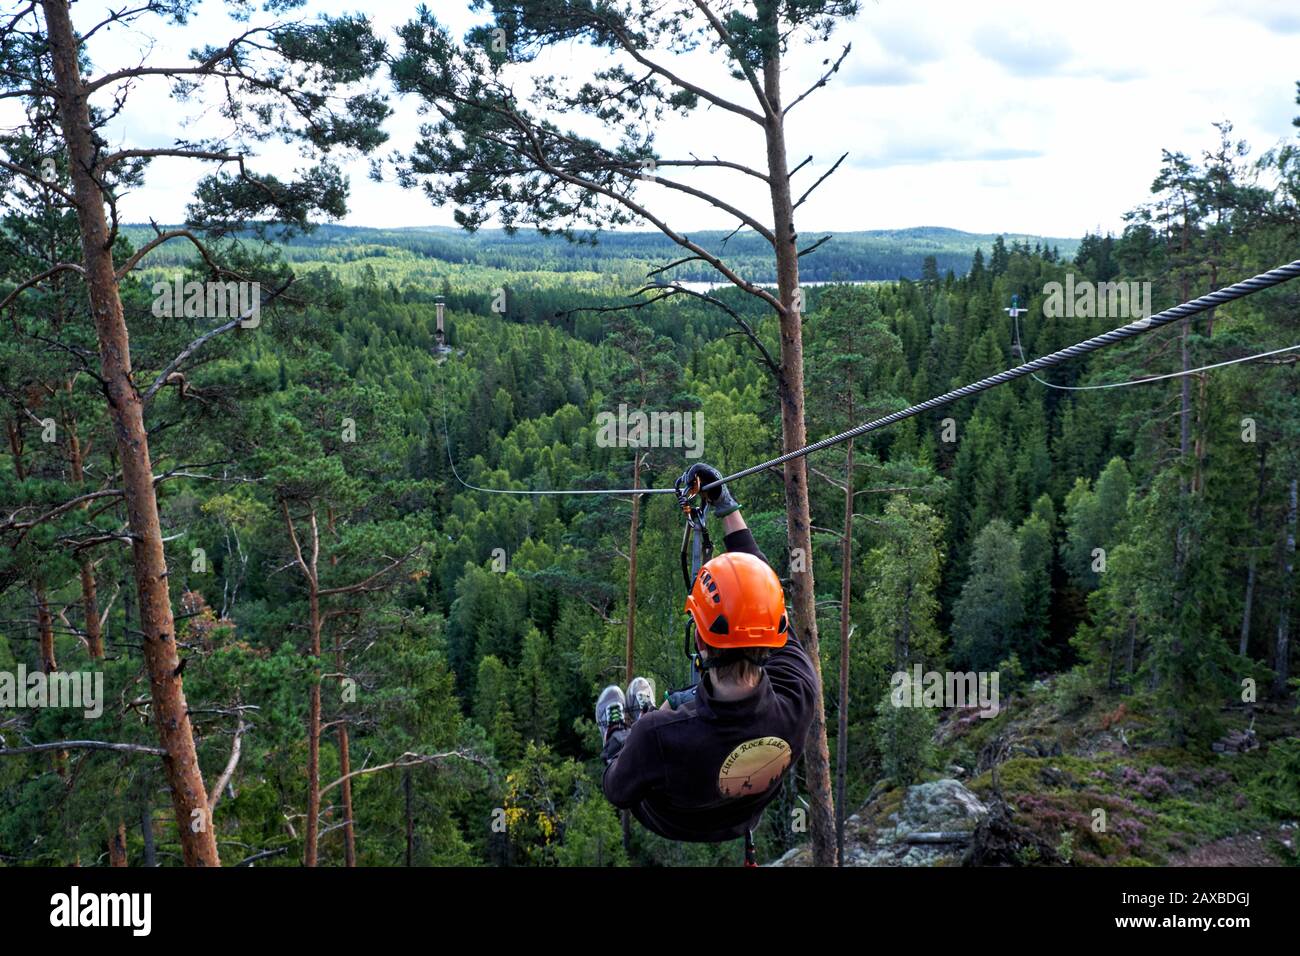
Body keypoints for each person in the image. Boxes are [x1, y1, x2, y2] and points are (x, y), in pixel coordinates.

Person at [595, 462, 819, 844]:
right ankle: (665, 708)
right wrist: (725, 506)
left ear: (699, 641)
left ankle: (615, 729)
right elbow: (762, 596)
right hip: (742, 816)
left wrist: (627, 745)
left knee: (630, 747)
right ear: (772, 636)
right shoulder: (799, 692)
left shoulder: (656, 736)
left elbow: (618, 790)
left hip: (672, 820)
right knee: (677, 712)